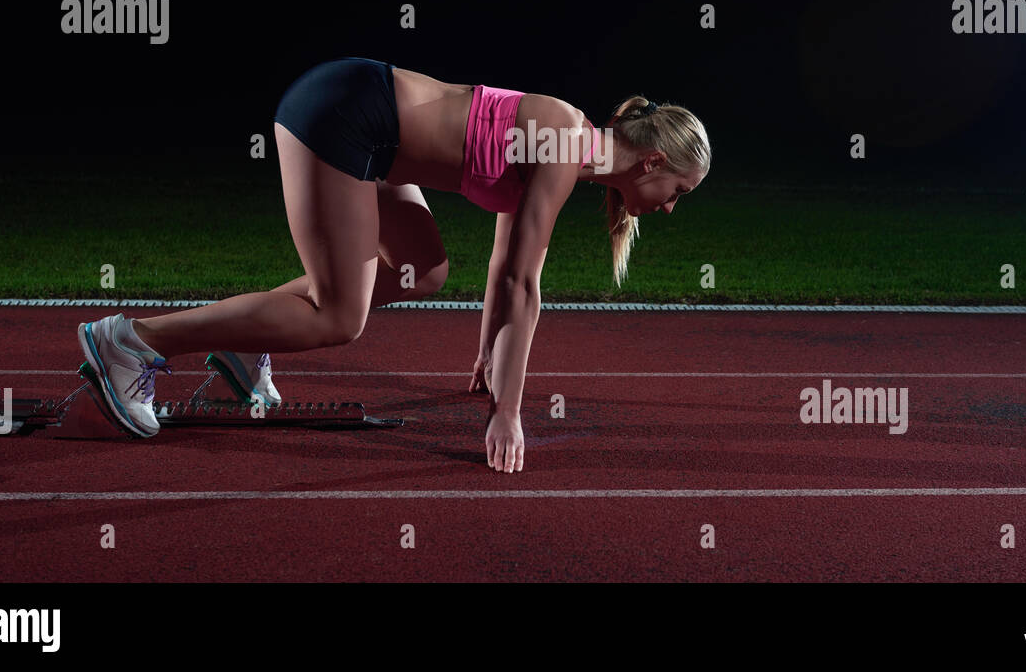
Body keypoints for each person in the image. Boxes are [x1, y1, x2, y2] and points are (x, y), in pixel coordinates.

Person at [77, 57, 710, 472]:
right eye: (678, 192)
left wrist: (487, 357)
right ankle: (133, 341)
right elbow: (523, 283)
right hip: (347, 116)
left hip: (364, 124)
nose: (670, 207)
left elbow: (504, 267)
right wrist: (507, 414)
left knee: (422, 268)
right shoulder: (566, 141)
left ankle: (242, 349)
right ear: (653, 162)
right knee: (339, 316)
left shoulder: (565, 143)